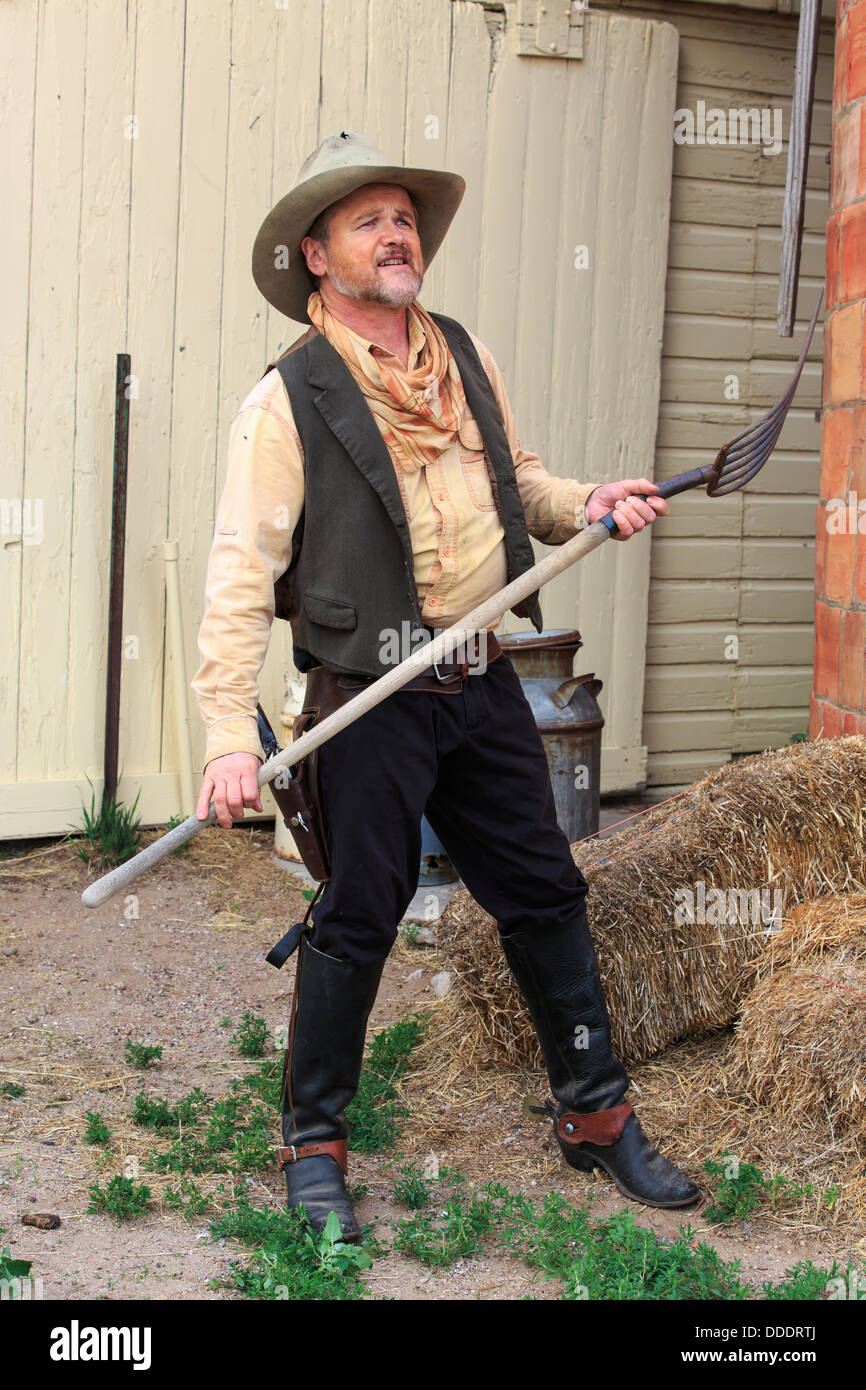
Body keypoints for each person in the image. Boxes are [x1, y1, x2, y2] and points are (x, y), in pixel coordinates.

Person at [192, 131, 700, 1242]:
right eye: (367, 219)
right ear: (317, 258)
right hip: (364, 697)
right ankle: (315, 1140)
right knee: (357, 914)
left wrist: (586, 503)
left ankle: (594, 1112)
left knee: (544, 894)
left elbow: (514, 483)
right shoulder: (288, 397)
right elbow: (242, 570)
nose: (396, 232)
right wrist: (230, 730)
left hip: (479, 682)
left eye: (404, 217)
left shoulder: (457, 354)